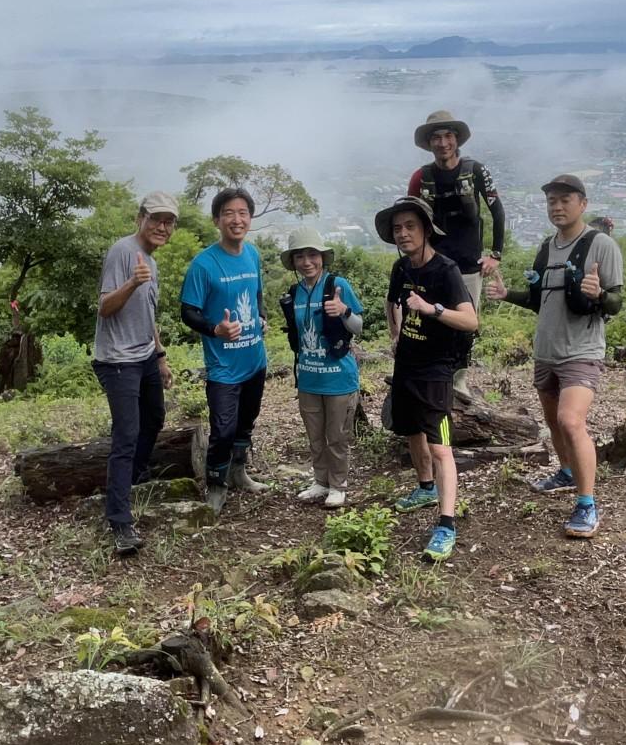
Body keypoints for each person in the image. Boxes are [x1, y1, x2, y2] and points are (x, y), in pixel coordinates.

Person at [488, 173, 624, 538]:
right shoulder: (547, 247)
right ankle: (566, 471)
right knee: (553, 421)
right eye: (552, 201)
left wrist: (599, 295)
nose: (557, 206)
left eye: (565, 199)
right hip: (545, 350)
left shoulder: (601, 245)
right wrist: (507, 295)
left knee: (570, 421)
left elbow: (617, 302)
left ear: (583, 203)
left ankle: (587, 503)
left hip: (581, 350)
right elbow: (538, 300)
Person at [377, 195, 479, 562]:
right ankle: (424, 488)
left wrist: (432, 309)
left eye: (410, 227)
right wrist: (395, 334)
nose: (402, 234)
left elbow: (471, 320)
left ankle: (446, 523)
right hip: (406, 364)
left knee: (440, 446)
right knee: (410, 431)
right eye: (397, 228)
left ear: (425, 231)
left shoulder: (445, 270)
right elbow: (392, 303)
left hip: (437, 369)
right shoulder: (400, 268)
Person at [92, 191, 179, 556]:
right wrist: (131, 282)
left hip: (143, 357)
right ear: (139, 218)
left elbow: (148, 315)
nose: (162, 226)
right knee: (126, 433)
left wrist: (160, 356)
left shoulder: (152, 263)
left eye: (168, 221)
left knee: (155, 417)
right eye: (156, 218)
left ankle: (131, 480)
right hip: (116, 360)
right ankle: (120, 521)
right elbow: (105, 307)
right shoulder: (123, 252)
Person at [405, 110, 504, 403]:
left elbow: (497, 211)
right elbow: (409, 215)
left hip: (467, 265)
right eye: (436, 137)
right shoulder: (421, 178)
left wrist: (495, 254)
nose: (443, 142)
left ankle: (459, 383)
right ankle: (433, 376)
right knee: (430, 319)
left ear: (457, 139)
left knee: (465, 325)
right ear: (429, 143)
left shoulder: (475, 171)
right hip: (432, 264)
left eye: (448, 136)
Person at [180, 186, 268, 513]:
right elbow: (188, 311)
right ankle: (216, 484)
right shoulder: (204, 264)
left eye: (242, 213)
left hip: (254, 359)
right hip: (223, 367)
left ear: (250, 218)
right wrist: (215, 329)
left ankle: (238, 472)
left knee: (246, 421)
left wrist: (261, 317)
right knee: (224, 428)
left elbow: (257, 295)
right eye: (229, 213)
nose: (236, 219)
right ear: (217, 220)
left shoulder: (253, 254)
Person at [278, 230, 365, 508]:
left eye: (312, 255)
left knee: (337, 437)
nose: (307, 262)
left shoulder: (337, 285)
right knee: (315, 436)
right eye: (300, 256)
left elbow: (359, 327)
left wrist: (344, 311)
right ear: (293, 262)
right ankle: (320, 481)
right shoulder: (295, 293)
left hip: (339, 377)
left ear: (322, 258)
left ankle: (338, 485)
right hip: (308, 378)